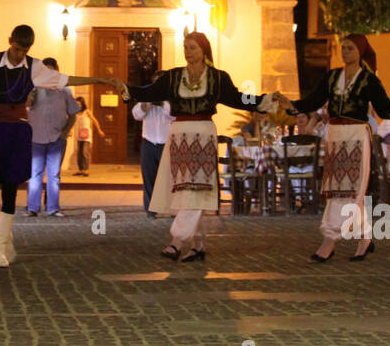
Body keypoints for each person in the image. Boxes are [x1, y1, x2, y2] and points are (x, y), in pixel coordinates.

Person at [0, 25, 116, 267]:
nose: (20, 54)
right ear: (10, 41)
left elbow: (65, 79)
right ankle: (6, 240)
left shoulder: (35, 67)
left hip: (18, 129)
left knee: (9, 188)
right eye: (17, 49)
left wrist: (99, 79)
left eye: (25, 50)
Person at [120, 32, 276, 262]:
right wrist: (126, 88)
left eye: (192, 47)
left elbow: (238, 99)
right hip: (179, 135)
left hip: (203, 134)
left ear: (203, 49)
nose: (187, 52)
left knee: (196, 187)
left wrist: (265, 100)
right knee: (186, 188)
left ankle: (176, 241)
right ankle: (198, 244)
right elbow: (148, 92)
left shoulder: (217, 78)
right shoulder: (173, 77)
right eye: (185, 47)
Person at [280, 34, 390, 262]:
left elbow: (384, 109)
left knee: (351, 189)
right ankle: (365, 237)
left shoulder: (368, 80)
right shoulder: (332, 77)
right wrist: (291, 105)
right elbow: (312, 101)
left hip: (356, 135)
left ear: (360, 52)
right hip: (335, 136)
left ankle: (329, 240)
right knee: (338, 188)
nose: (345, 52)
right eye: (343, 48)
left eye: (350, 48)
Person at [25, 58, 79, 217]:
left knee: (54, 175)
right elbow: (25, 107)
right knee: (35, 174)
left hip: (57, 139)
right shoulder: (33, 89)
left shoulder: (65, 91)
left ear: (56, 71)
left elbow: (73, 114)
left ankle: (53, 208)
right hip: (36, 138)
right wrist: (30, 95)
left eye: (51, 71)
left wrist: (65, 131)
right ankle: (32, 208)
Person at [132, 99, 172, 217]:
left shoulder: (169, 101)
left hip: (167, 143)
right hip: (148, 142)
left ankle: (171, 208)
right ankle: (150, 209)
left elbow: (174, 115)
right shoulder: (146, 99)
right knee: (148, 176)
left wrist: (162, 103)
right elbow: (136, 115)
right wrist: (145, 106)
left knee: (169, 178)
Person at [71, 96, 104, 176]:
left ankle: (85, 170)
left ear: (83, 104)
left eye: (80, 104)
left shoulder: (87, 111)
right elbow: (72, 123)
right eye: (77, 104)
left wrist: (99, 130)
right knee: (79, 153)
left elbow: (94, 120)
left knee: (85, 152)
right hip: (79, 135)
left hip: (86, 135)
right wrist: (70, 130)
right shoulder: (75, 113)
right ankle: (80, 170)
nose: (78, 105)